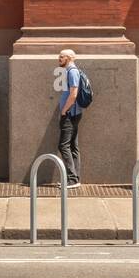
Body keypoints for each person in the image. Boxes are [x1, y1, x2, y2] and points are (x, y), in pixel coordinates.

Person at [56, 49, 83, 189]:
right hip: (73, 113)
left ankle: (72, 179)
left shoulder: (72, 71)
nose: (59, 58)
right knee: (72, 146)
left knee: (63, 145)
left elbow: (73, 94)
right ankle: (75, 178)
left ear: (69, 58)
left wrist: (64, 110)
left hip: (70, 114)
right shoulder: (71, 71)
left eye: (61, 56)